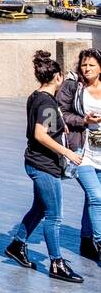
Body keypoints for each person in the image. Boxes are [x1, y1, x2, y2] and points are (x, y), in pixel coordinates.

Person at [5, 51, 85, 282]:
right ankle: (57, 264)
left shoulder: (35, 95)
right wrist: (68, 152)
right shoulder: (48, 102)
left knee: (39, 209)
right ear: (58, 77)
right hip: (44, 166)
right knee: (54, 217)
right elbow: (41, 134)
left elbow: (44, 126)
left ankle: (16, 245)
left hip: (34, 162)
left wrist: (60, 127)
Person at [58, 48, 101, 263]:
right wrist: (84, 121)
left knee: (92, 199)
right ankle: (100, 243)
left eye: (92, 65)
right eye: (84, 64)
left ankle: (86, 242)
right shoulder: (73, 86)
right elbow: (60, 113)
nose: (87, 68)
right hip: (81, 151)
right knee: (97, 197)